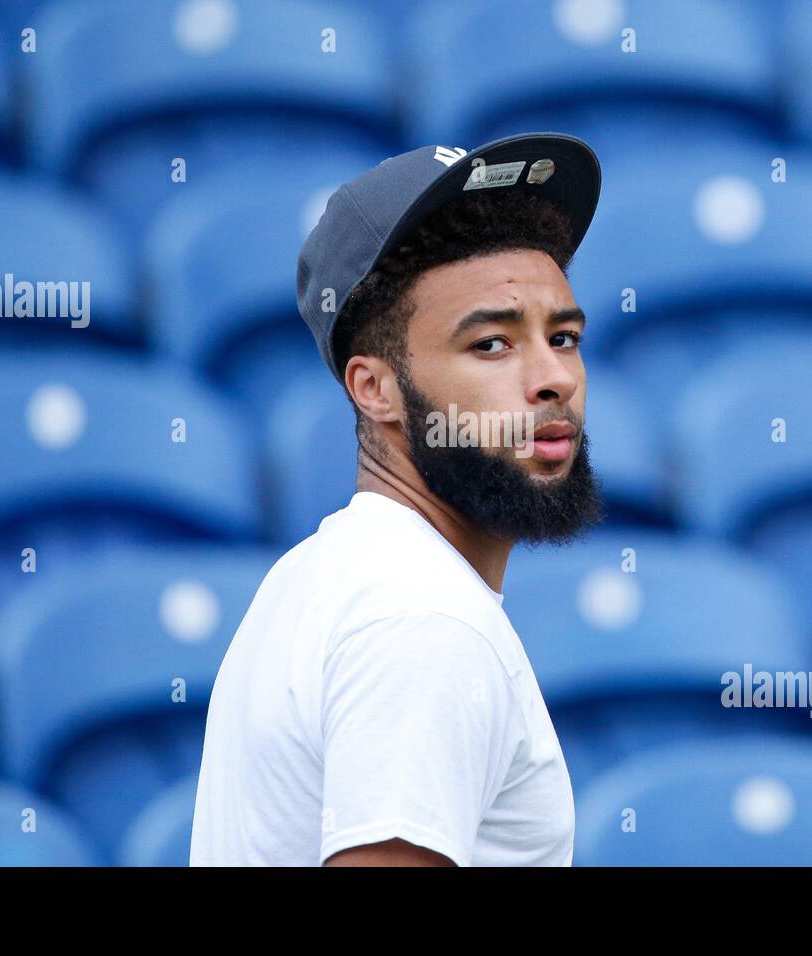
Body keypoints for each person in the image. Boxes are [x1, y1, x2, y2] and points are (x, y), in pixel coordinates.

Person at [191, 133, 604, 866]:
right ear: (373, 389)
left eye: (563, 337)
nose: (554, 379)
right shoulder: (422, 620)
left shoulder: (330, 577)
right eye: (491, 345)